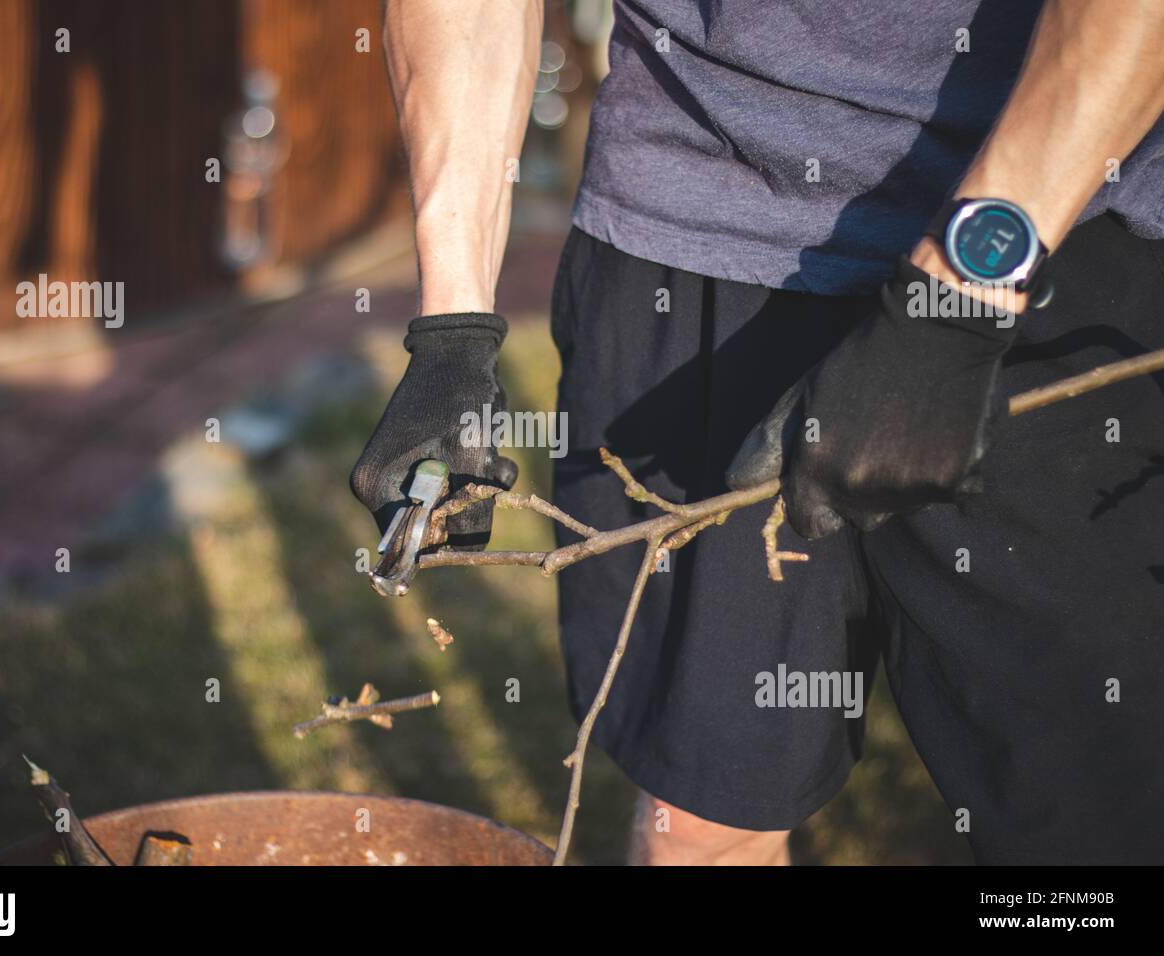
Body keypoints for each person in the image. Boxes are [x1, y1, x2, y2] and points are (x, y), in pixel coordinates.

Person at [352, 0, 1164, 864]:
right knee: (703, 819)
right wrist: (452, 333)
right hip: (690, 226)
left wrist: (962, 295)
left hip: (1063, 220)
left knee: (1089, 840)